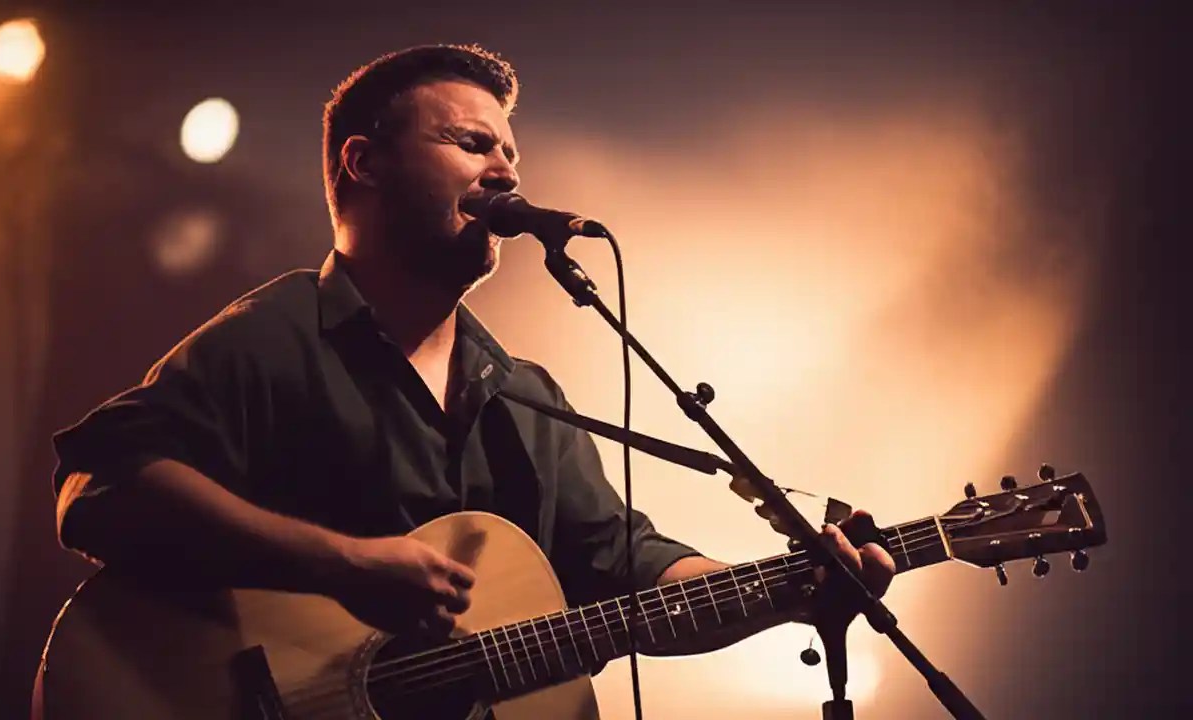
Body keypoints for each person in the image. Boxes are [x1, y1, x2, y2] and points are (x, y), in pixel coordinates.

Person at [51, 43, 892, 676]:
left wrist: (786, 590)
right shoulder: (276, 337)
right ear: (364, 160)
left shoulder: (524, 396)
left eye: (511, 154)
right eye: (471, 142)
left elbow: (628, 574)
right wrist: (341, 564)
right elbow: (98, 490)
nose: (504, 170)